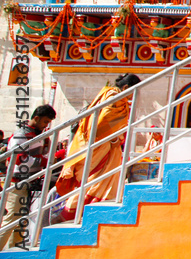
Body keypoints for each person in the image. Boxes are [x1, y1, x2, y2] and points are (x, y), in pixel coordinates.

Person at [56, 73, 140, 222]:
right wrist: (116, 138)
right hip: (100, 146)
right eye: (133, 92)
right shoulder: (115, 97)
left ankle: (77, 214)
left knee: (92, 181)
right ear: (126, 87)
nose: (132, 97)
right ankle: (69, 215)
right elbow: (103, 126)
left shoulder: (108, 94)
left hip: (96, 145)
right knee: (93, 181)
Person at [0, 104, 55, 249]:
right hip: (17, 183)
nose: (46, 125)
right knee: (11, 220)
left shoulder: (39, 135)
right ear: (36, 118)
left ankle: (14, 253)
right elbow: (19, 158)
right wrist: (43, 161)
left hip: (28, 183)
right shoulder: (21, 135)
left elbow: (44, 154)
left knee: (21, 223)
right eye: (45, 121)